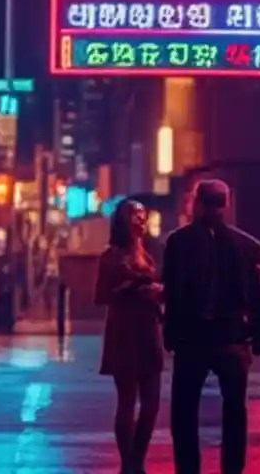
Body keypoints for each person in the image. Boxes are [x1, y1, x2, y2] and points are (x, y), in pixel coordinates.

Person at [163, 179, 260, 474]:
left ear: (198, 203)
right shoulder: (248, 245)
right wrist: (258, 335)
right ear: (225, 204)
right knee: (235, 408)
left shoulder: (178, 243)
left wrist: (169, 333)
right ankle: (231, 469)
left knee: (184, 410)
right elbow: (258, 295)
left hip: (191, 337)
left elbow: (172, 292)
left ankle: (188, 469)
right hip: (233, 336)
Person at [95, 199, 165, 474]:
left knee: (152, 403)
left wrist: (157, 293)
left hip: (148, 330)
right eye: (135, 215)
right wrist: (130, 289)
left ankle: (136, 460)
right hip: (124, 332)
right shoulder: (112, 256)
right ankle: (130, 465)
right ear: (123, 221)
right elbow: (101, 295)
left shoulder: (148, 253)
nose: (141, 219)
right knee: (127, 400)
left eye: (143, 214)